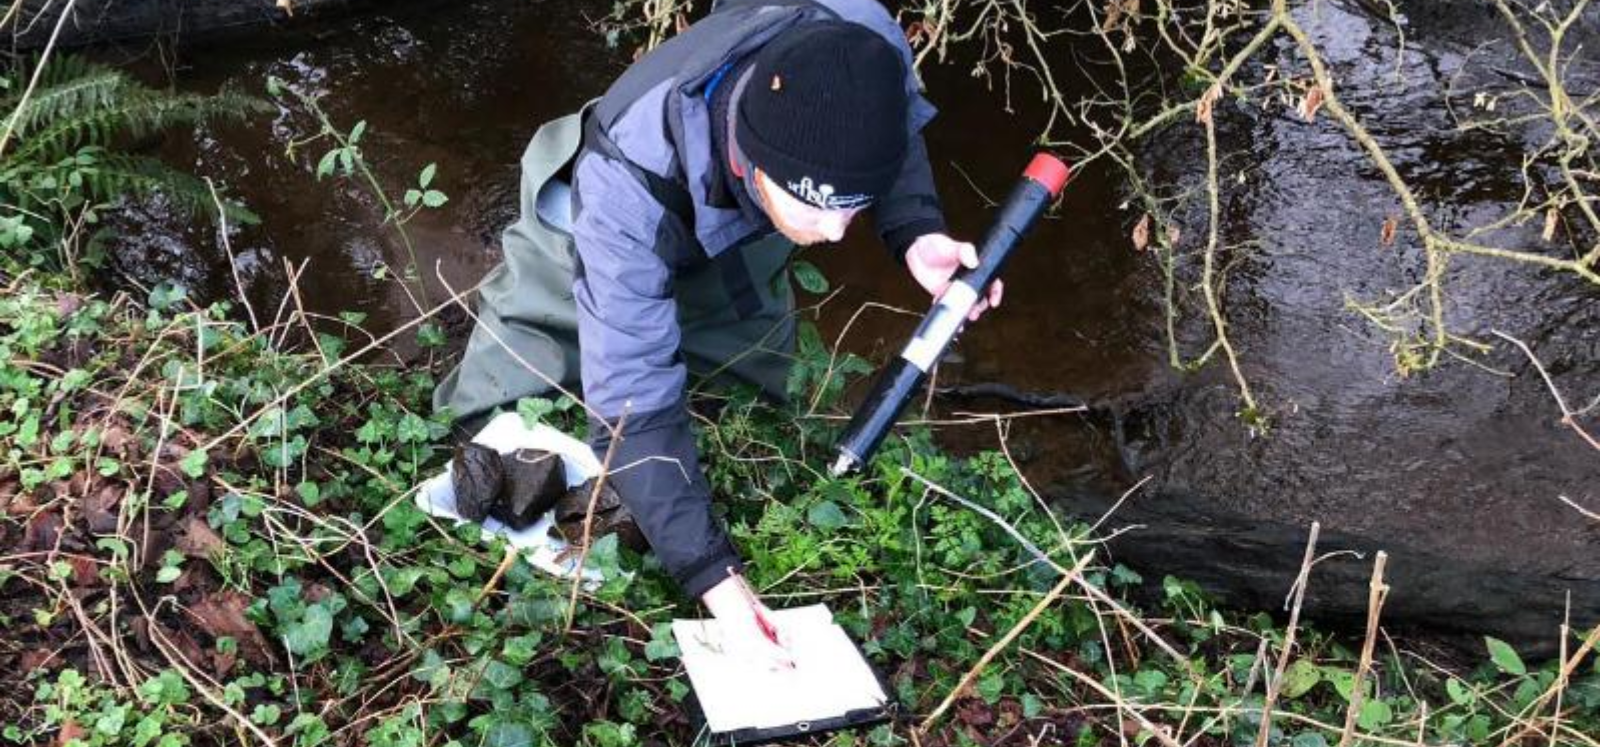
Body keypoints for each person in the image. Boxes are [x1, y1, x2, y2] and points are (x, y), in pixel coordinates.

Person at [435, 0, 1001, 667]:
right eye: (822, 203)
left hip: (740, 231)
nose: (838, 233)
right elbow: (635, 409)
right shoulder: (626, 185)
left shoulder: (865, 38)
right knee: (493, 406)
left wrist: (914, 229)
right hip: (593, 222)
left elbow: (890, 133)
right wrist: (717, 580)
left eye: (853, 204)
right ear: (753, 162)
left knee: (741, 406)